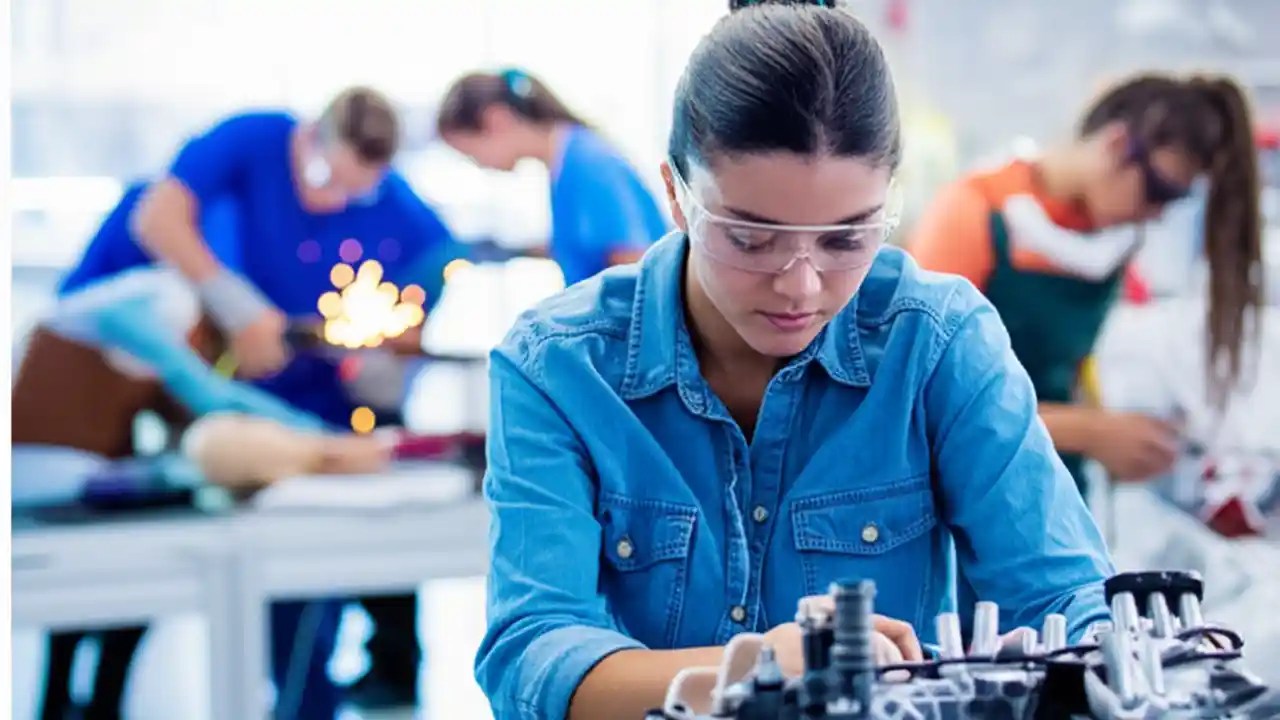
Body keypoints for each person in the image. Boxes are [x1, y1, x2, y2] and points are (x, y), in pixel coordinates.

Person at [473, 2, 1114, 718]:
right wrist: (758, 669)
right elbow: (532, 656)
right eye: (751, 238)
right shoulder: (557, 367)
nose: (801, 286)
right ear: (676, 196)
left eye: (847, 239)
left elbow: (1065, 600)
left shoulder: (938, 342)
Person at [54, 87, 463, 717]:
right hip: (161, 394)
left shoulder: (389, 199)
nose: (333, 203)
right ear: (310, 138)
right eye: (327, 181)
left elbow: (439, 256)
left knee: (299, 588)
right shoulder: (245, 147)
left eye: (355, 194)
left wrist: (395, 354)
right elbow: (160, 232)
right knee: (126, 564)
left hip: (275, 396)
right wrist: (240, 313)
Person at [11, 267, 347, 720]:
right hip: (37, 474)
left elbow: (190, 413)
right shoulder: (154, 302)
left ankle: (93, 705)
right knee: (136, 569)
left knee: (130, 587)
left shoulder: (162, 336)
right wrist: (322, 438)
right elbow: (205, 394)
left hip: (77, 482)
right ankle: (84, 706)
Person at [907, 73, 1264, 496]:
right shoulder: (972, 214)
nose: (1155, 215)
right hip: (963, 494)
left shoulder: (1107, 245)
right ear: (1115, 145)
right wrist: (1093, 433)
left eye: (1174, 201)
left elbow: (1075, 370)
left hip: (1050, 489)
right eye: (1158, 191)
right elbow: (923, 404)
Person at [436, 68, 669, 286]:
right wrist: (516, 251)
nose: (479, 165)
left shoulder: (589, 164)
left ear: (496, 120)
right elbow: (586, 248)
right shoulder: (564, 161)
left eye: (470, 154)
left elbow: (633, 269)